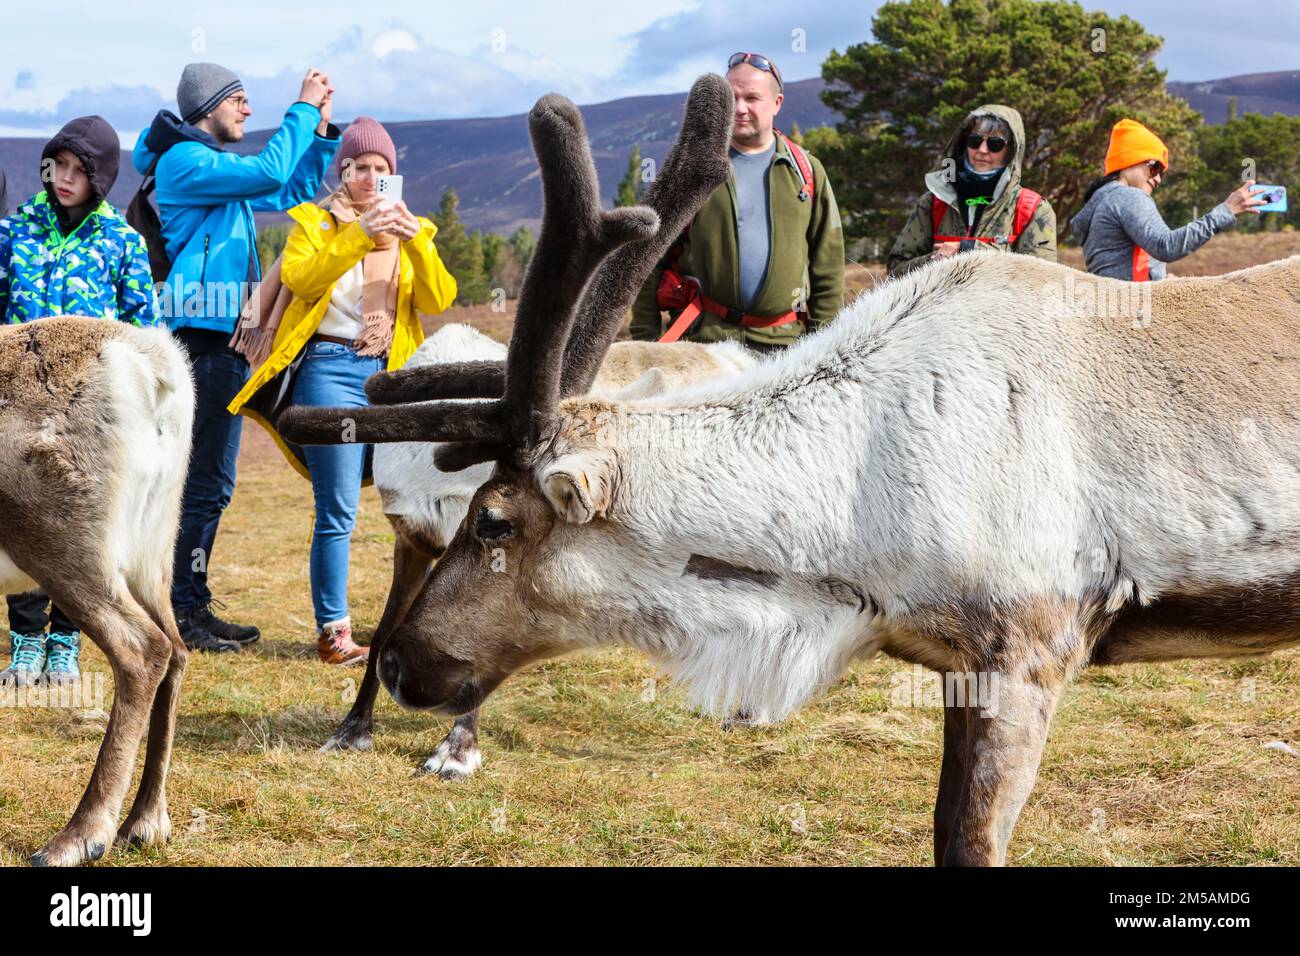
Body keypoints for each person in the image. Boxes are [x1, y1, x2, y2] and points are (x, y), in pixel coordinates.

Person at [227, 118, 457, 665]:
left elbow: (440, 298)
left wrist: (414, 242)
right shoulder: (316, 222)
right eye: (361, 168)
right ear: (345, 171)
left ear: (393, 175)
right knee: (338, 508)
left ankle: (414, 624)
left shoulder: (413, 230)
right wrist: (358, 234)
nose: (371, 177)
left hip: (392, 378)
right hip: (329, 371)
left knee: (410, 503)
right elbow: (304, 280)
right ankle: (334, 632)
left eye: (382, 169)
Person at [133, 63, 341, 653]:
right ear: (210, 104)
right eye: (241, 101)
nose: (249, 112)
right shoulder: (186, 161)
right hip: (199, 337)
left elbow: (291, 190)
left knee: (207, 480)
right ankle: (184, 609)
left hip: (218, 339)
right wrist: (299, 107)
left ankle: (181, 601)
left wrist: (321, 135)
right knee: (203, 480)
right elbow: (270, 169)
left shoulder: (214, 171)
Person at [0, 115, 160, 687]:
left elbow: (145, 330)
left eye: (78, 170)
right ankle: (24, 642)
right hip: (15, 407)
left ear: (101, 178)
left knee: (75, 525)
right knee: (22, 517)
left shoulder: (122, 242)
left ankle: (66, 640)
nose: (64, 178)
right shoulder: (13, 231)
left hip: (89, 411)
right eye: (57, 165)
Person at [630, 52, 844, 351]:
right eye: (732, 98)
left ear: (777, 103)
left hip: (785, 350)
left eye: (752, 98)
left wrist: (825, 348)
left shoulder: (807, 172)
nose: (740, 109)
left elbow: (828, 266)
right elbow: (649, 258)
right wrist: (645, 340)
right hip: (702, 347)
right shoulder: (690, 169)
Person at [1071, 119, 1266, 281]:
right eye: (1155, 167)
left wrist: (1159, 278)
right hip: (1135, 315)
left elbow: (1119, 265)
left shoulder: (1100, 201)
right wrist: (1227, 210)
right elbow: (1166, 246)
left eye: (1162, 172)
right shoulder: (1126, 196)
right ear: (1128, 162)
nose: (1158, 179)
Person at [888, 105, 1057, 276]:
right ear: (964, 143)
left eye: (995, 144)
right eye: (975, 141)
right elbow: (895, 271)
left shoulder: (1033, 209)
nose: (982, 150)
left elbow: (1043, 279)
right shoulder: (933, 203)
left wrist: (968, 251)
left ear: (1012, 150)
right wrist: (934, 260)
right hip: (943, 303)